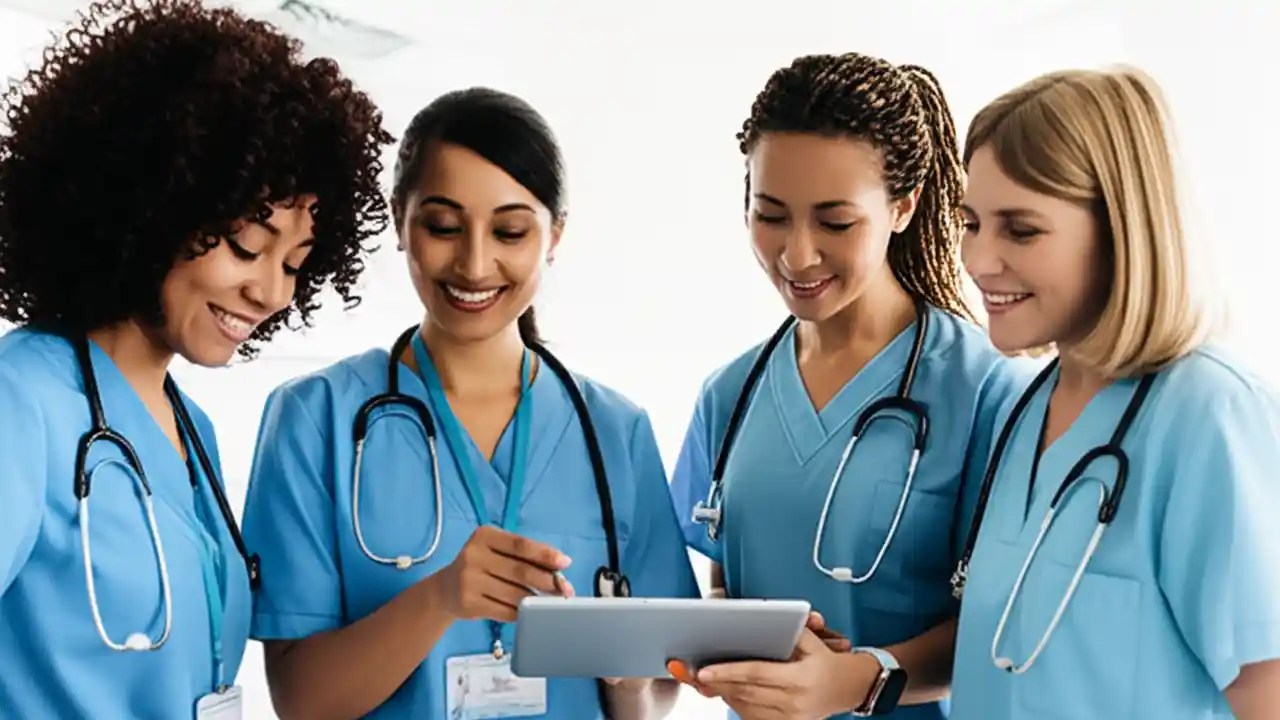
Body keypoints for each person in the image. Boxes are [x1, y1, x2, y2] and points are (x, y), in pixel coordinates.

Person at [240, 86, 700, 720]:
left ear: (554, 236)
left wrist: (627, 683)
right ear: (401, 221)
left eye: (510, 231)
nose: (475, 263)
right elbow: (301, 703)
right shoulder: (313, 419)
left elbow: (656, 691)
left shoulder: (614, 431)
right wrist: (440, 599)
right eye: (443, 226)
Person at [0, 0, 391, 717]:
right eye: (247, 246)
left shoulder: (194, 433)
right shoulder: (20, 400)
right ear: (154, 204)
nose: (269, 290)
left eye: (297, 263)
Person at [666, 52, 1036, 719]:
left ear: (904, 205)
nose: (796, 254)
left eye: (835, 222)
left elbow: (1005, 626)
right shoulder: (731, 393)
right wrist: (726, 645)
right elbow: (726, 581)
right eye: (770, 214)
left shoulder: (987, 392)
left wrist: (859, 679)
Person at [949, 66, 1280, 719]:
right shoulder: (1026, 408)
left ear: (1124, 230)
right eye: (971, 222)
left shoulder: (1210, 416)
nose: (979, 260)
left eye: (1021, 229)